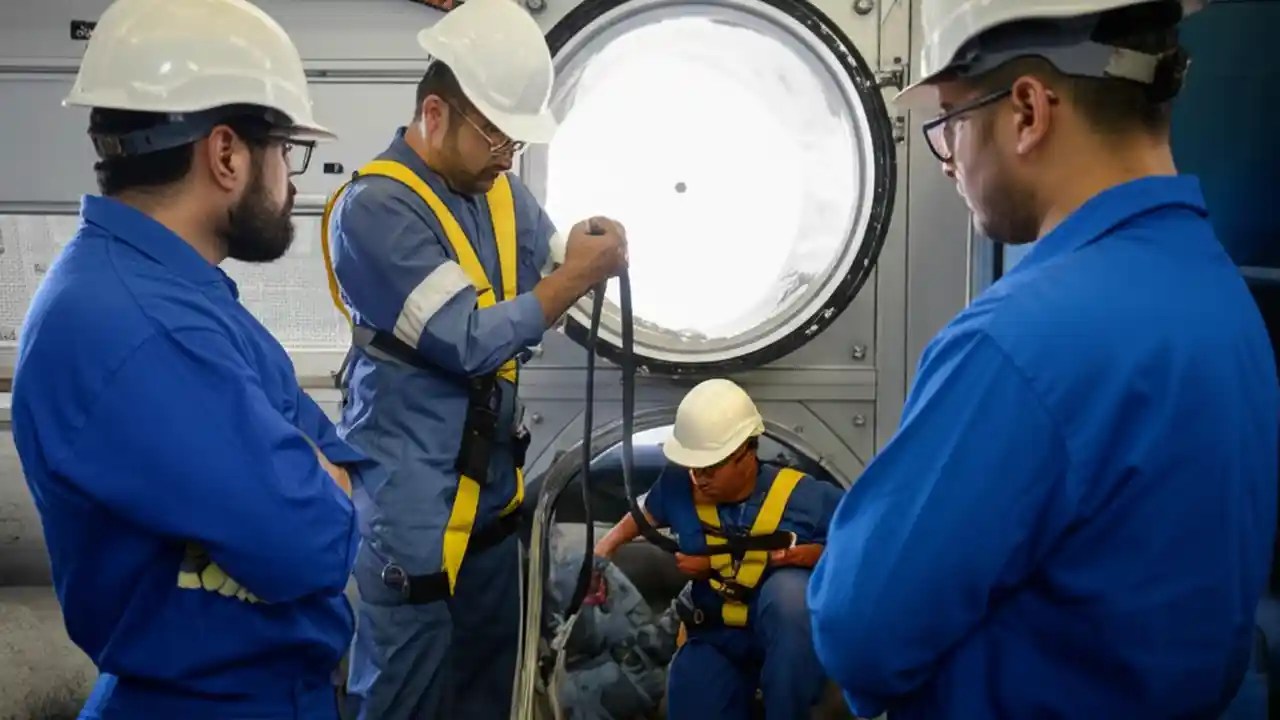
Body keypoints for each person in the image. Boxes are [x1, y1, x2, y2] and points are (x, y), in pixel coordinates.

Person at [806, 1, 1279, 719]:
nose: (947, 161)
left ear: (1027, 111)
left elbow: (858, 635)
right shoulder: (1218, 295)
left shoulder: (1018, 340)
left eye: (951, 122)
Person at [10, 0, 371, 718]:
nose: (293, 182)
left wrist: (313, 472)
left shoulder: (165, 289)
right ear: (228, 154)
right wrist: (312, 475)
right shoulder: (140, 325)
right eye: (286, 152)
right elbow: (317, 541)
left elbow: (336, 461)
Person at [321, 0, 629, 716]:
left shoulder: (500, 192)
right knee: (406, 697)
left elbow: (553, 259)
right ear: (434, 114)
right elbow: (466, 341)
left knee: (490, 697)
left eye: (515, 140)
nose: (507, 154)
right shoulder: (373, 210)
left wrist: (587, 252)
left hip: (491, 517)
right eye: (495, 135)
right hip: (415, 524)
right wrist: (576, 275)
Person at [592, 379, 844, 719]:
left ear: (747, 453)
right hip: (715, 636)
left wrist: (812, 556)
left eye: (710, 468)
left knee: (791, 596)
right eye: (693, 468)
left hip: (781, 640)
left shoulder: (807, 497)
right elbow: (645, 514)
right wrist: (603, 552)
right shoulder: (680, 486)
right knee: (693, 690)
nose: (700, 478)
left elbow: (862, 548)